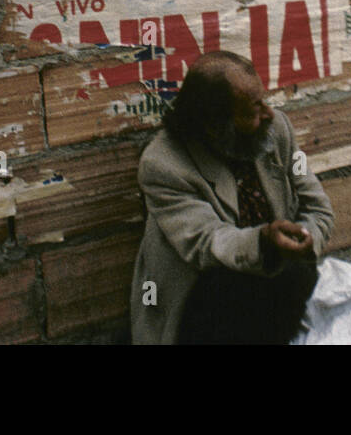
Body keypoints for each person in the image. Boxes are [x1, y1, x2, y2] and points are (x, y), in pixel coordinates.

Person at [129, 51, 336, 344]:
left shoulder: (278, 132)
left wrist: (304, 241)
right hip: (202, 298)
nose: (269, 113)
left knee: (299, 276)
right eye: (253, 108)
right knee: (237, 285)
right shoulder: (163, 165)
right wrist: (265, 241)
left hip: (274, 284)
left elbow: (317, 205)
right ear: (215, 124)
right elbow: (207, 243)